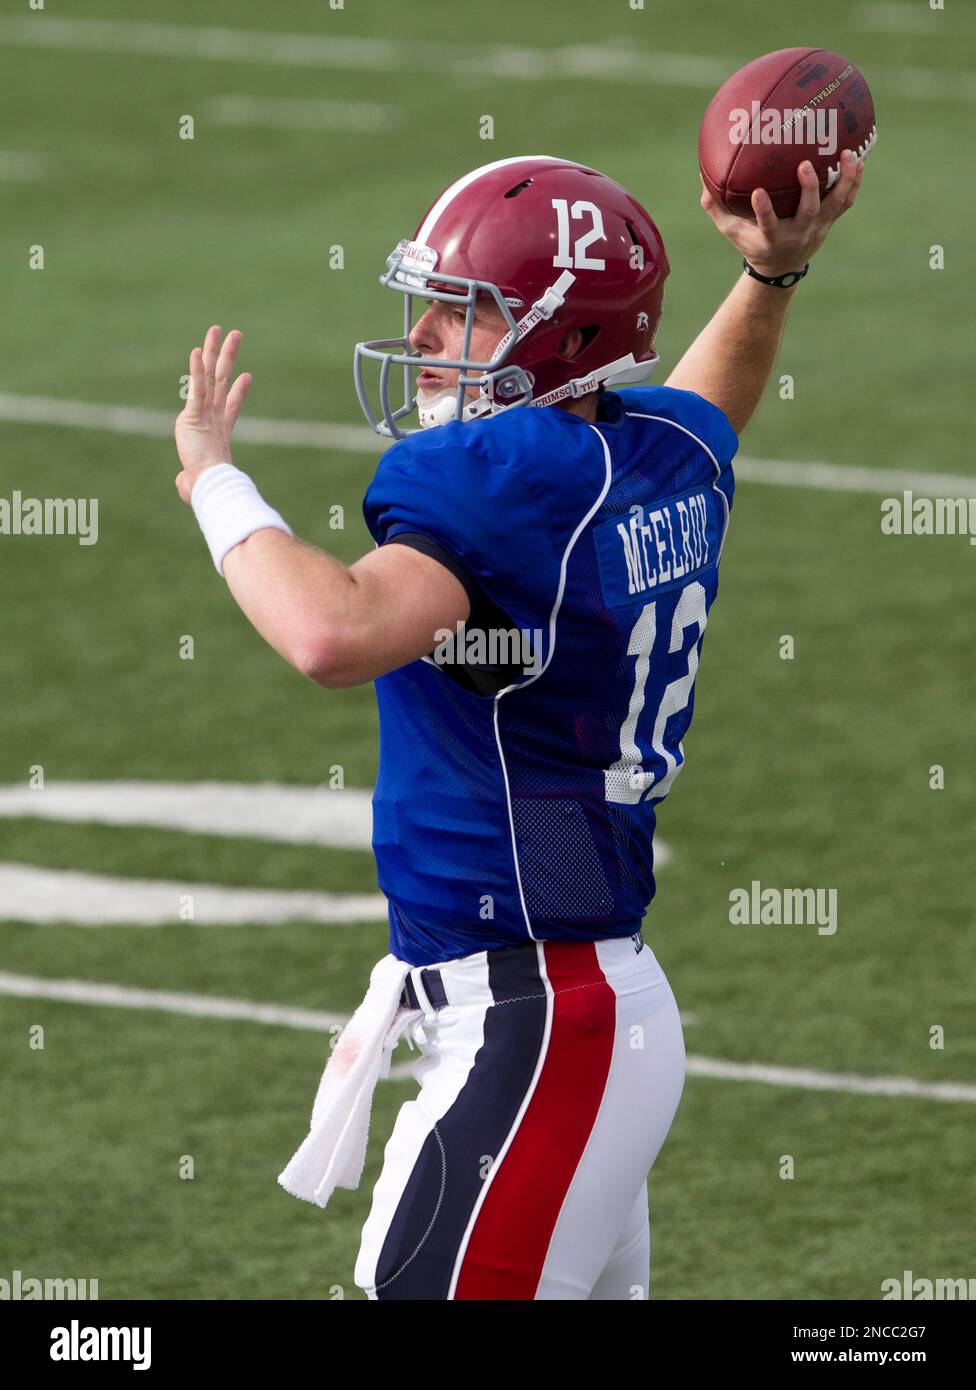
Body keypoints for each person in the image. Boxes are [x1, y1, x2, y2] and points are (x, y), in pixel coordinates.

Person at [173, 151, 863, 1300]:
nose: (430, 338)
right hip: (580, 994)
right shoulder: (657, 457)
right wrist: (771, 279)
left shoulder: (506, 479)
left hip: (536, 1027)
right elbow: (706, 405)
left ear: (558, 336)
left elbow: (331, 634)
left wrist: (214, 483)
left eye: (464, 313)